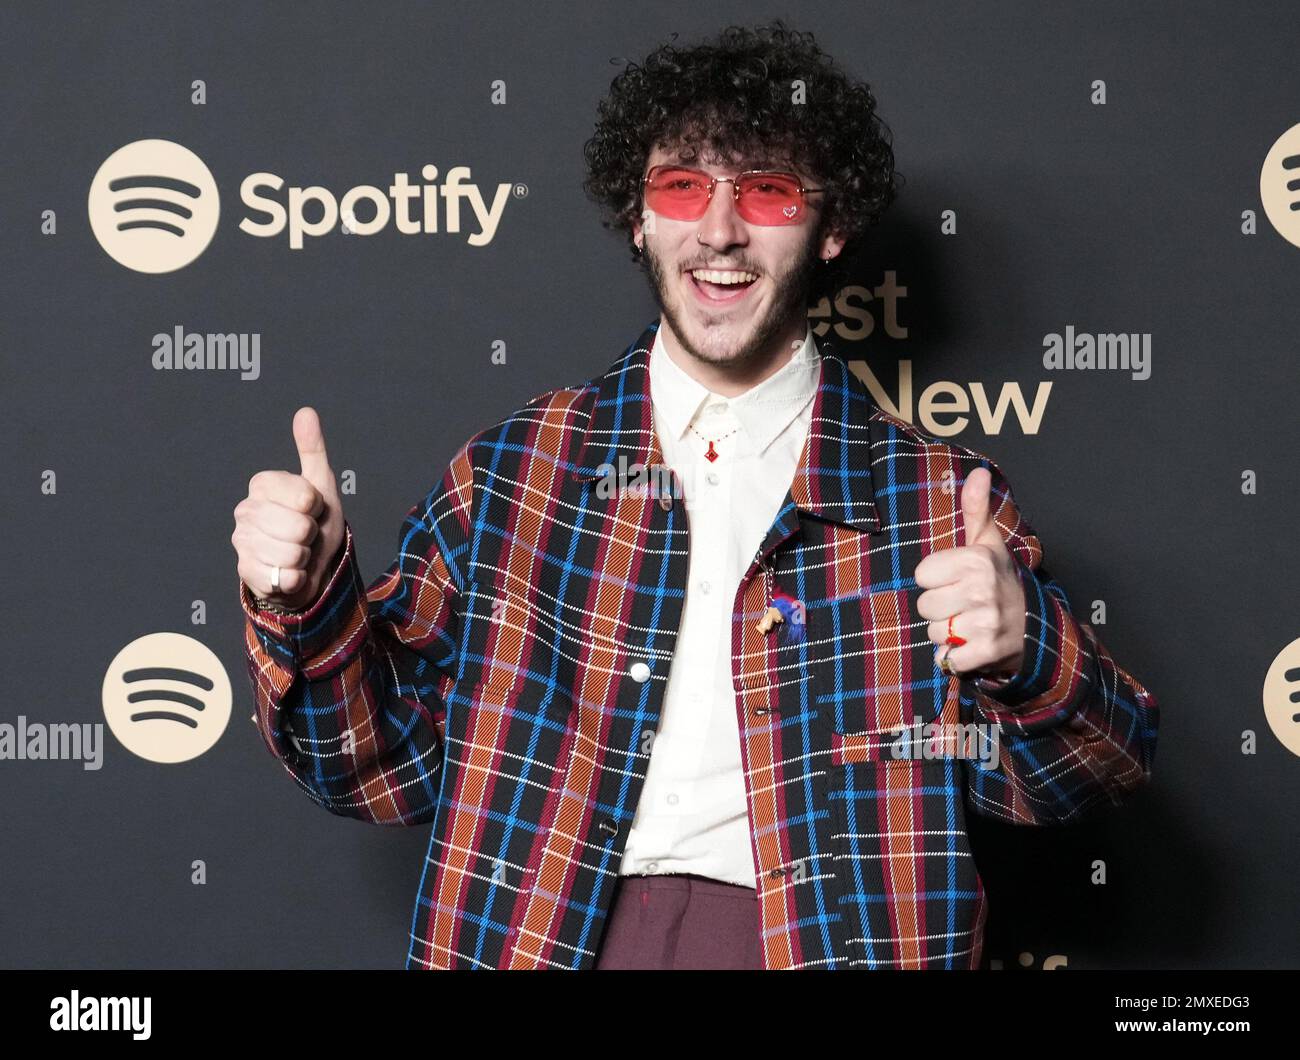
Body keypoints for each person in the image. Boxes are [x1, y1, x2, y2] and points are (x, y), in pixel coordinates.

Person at [231, 20, 1158, 971]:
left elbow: (1088, 777)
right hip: (547, 942)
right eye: (683, 186)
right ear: (641, 216)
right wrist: (309, 608)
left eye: (767, 190)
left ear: (830, 228)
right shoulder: (515, 471)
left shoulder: (936, 500)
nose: (719, 229)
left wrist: (1027, 655)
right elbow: (382, 771)